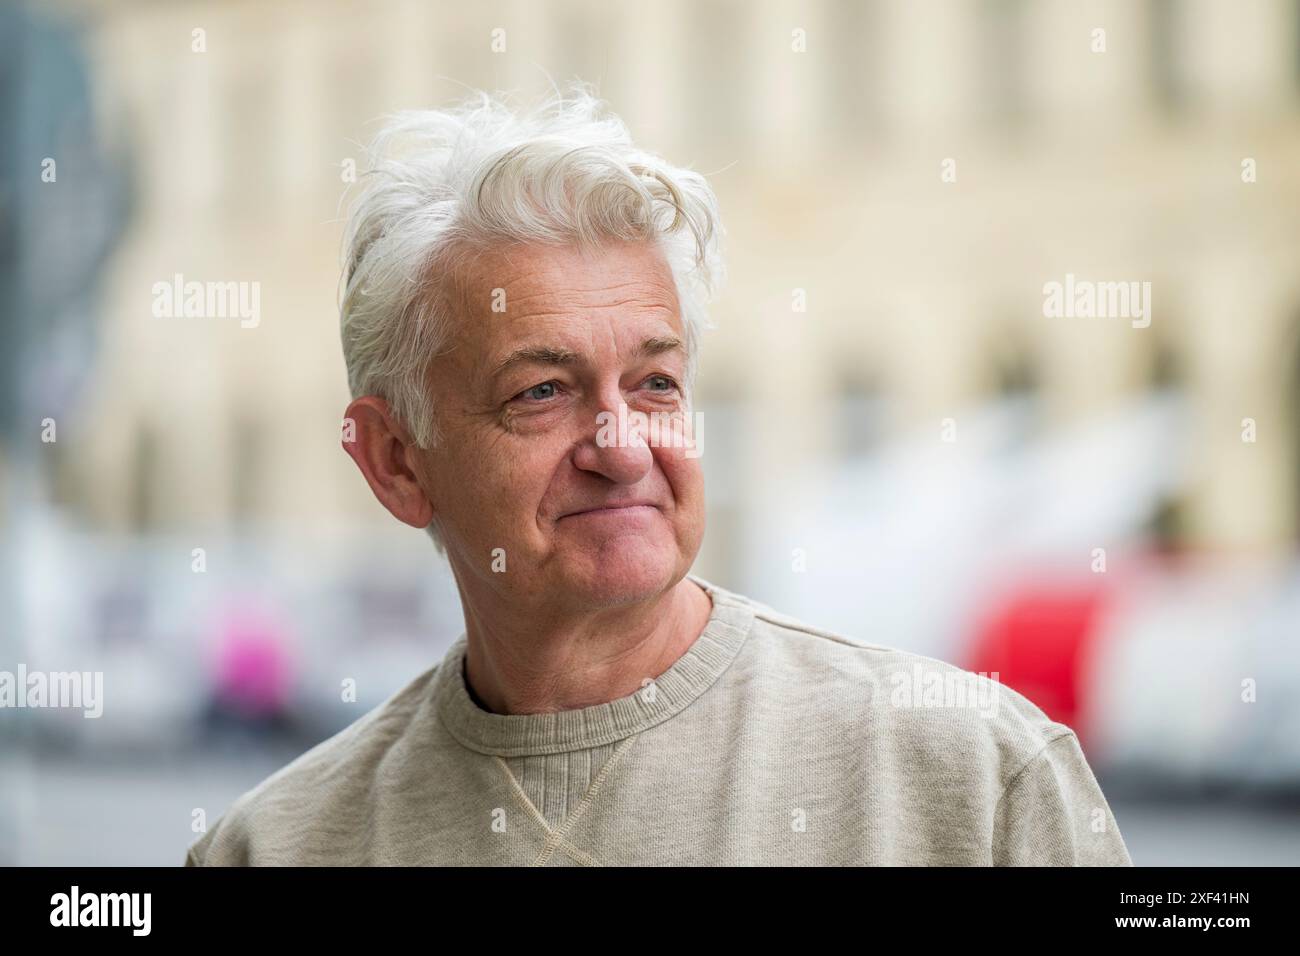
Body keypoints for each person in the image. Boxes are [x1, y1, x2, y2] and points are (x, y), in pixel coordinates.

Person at [185, 84, 1132, 866]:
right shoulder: (274, 851)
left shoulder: (971, 778)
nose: (624, 444)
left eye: (656, 383)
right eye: (543, 391)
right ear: (397, 462)